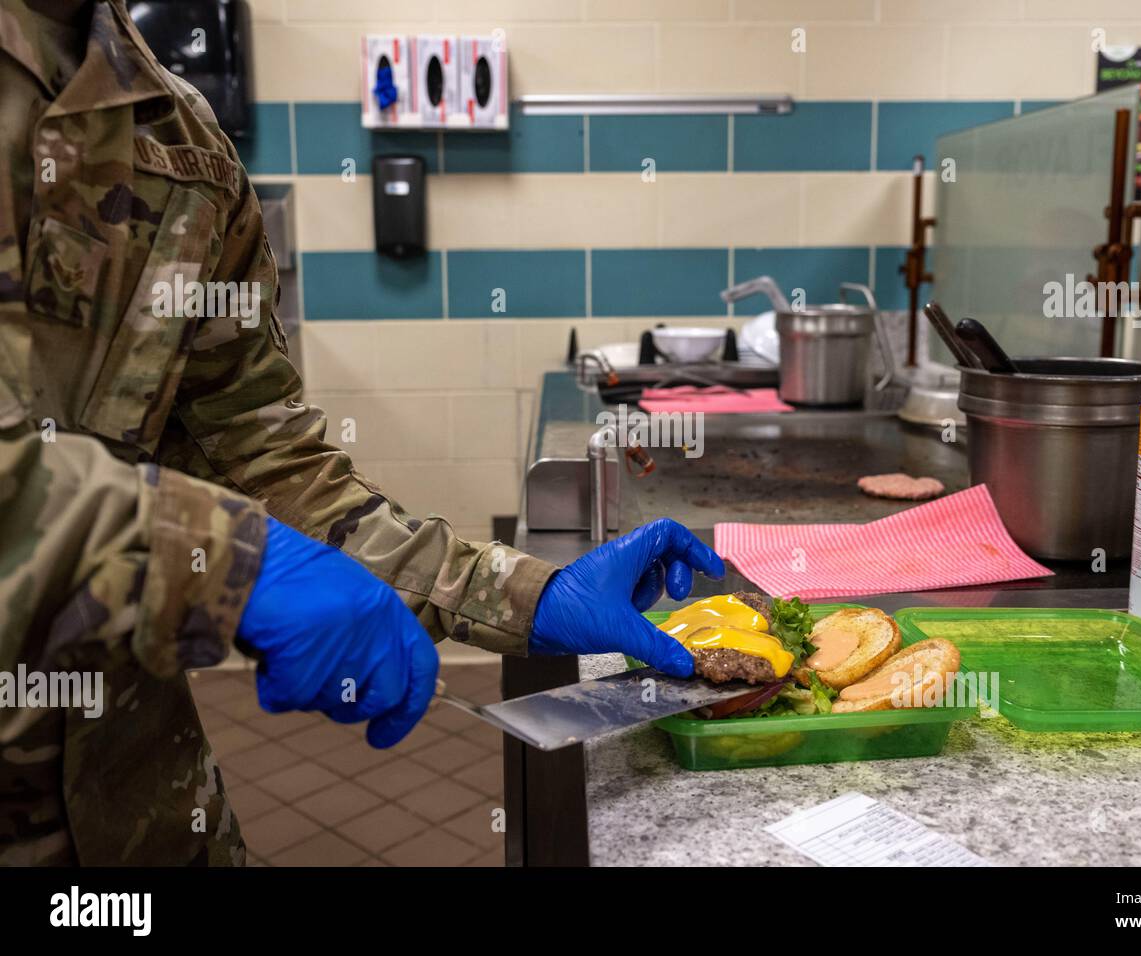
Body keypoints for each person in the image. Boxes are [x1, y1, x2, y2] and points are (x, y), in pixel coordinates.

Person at [0, 0, 722, 865]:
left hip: (132, 810)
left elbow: (256, 451)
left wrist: (519, 594)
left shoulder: (176, 137)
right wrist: (207, 555)